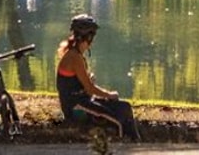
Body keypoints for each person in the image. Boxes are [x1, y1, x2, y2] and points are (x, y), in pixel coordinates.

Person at [56, 13, 141, 142]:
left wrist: (89, 81)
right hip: (76, 108)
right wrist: (109, 95)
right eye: (93, 36)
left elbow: (81, 84)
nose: (93, 40)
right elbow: (90, 89)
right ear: (88, 37)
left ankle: (135, 143)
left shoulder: (77, 54)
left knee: (125, 107)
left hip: (84, 101)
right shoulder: (74, 57)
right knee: (117, 121)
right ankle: (128, 146)